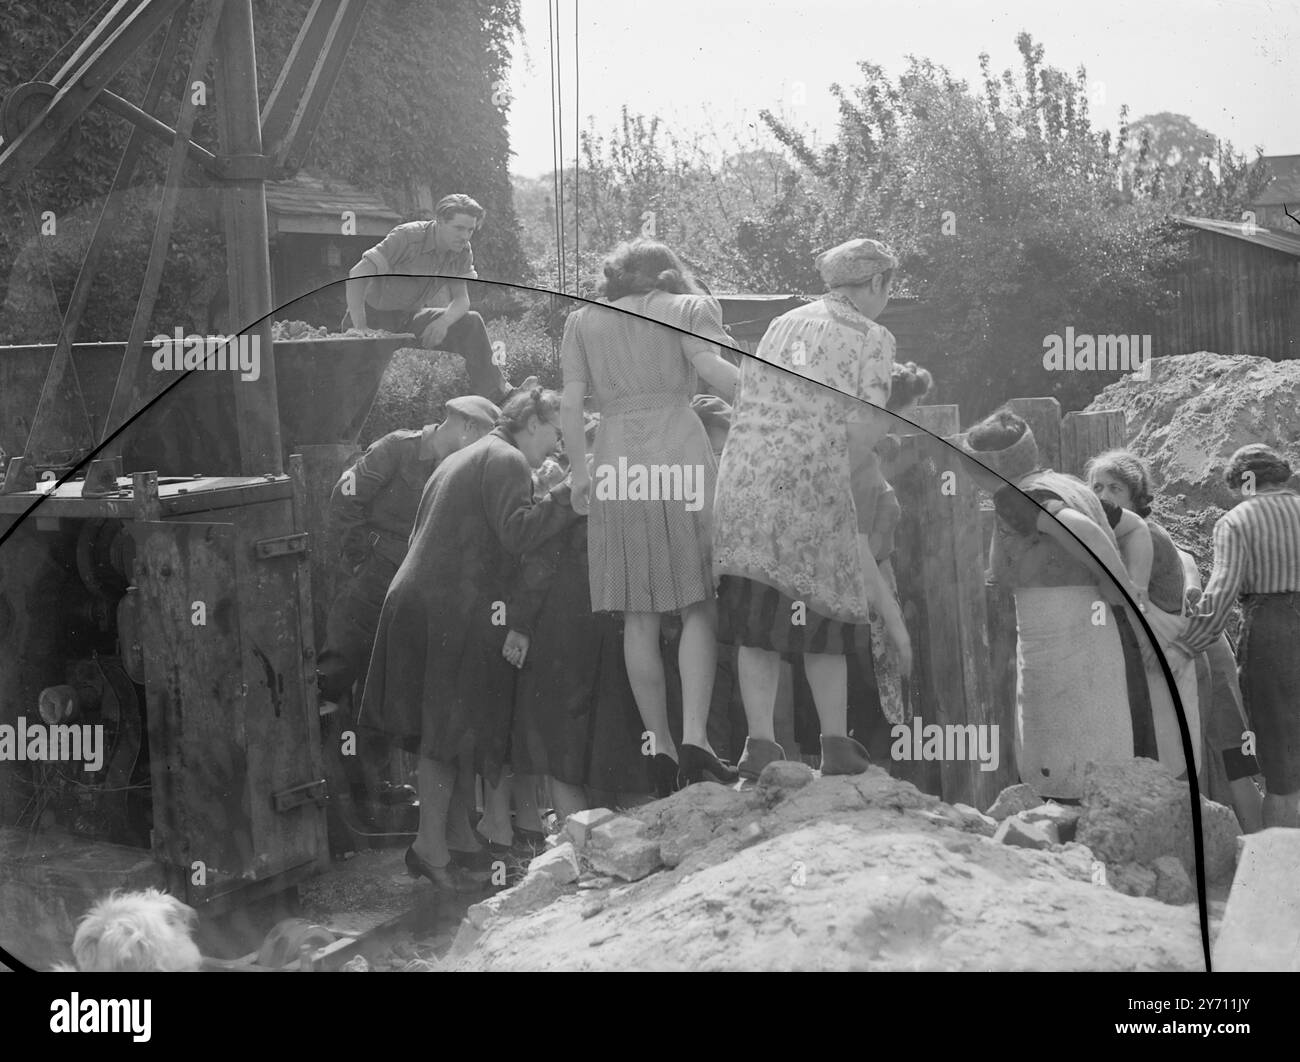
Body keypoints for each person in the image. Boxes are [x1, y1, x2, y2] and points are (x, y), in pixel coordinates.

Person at [359, 388, 579, 891]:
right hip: (443, 609)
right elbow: (518, 535)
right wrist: (566, 497)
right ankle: (428, 847)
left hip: (425, 604)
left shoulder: (469, 455)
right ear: (532, 421)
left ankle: (455, 838)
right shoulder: (505, 459)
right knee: (442, 732)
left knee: (447, 730)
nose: (556, 445)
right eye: (553, 432)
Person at [712, 237, 913, 780]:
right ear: (875, 284)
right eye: (888, 288)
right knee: (829, 612)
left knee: (758, 614)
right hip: (811, 482)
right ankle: (835, 743)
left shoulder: (780, 324)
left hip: (744, 481)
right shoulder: (873, 336)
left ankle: (759, 745)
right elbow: (866, 425)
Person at [560, 239, 741, 795]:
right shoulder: (686, 308)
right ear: (666, 272)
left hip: (615, 460)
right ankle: (695, 740)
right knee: (697, 602)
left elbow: (569, 403)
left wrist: (578, 471)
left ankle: (658, 746)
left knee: (638, 611)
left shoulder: (583, 321)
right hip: (678, 450)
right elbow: (714, 369)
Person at [957, 410, 1142, 800]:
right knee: (1095, 748)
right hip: (1088, 628)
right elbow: (1131, 527)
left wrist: (1120, 585)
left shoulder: (1016, 497)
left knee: (1059, 758)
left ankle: (1066, 844)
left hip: (1060, 633)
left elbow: (1082, 529)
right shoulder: (1062, 483)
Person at [506, 414, 650, 818]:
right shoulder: (635, 485)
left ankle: (578, 841)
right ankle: (625, 830)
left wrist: (520, 625)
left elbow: (540, 564)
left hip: (564, 627)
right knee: (616, 731)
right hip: (623, 623)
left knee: (564, 738)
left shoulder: (570, 490)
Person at [317, 396, 501, 712]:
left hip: (419, 584)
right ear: (468, 427)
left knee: (392, 689)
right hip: (376, 574)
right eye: (484, 438)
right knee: (337, 669)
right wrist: (361, 558)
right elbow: (345, 499)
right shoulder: (397, 448)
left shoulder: (461, 467)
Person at [1168, 444, 1300, 828]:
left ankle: (1279, 874)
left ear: (1243, 481)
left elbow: (1222, 593)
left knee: (1280, 763)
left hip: (1272, 631)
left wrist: (1184, 646)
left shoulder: (1238, 520)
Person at [344, 193, 526, 404]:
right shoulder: (407, 237)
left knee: (471, 323)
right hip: (372, 319)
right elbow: (357, 275)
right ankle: (340, 436)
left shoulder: (462, 251)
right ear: (440, 221)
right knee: (355, 396)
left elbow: (461, 300)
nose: (465, 236)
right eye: (459, 228)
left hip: (410, 318)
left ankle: (503, 399)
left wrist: (443, 322)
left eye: (470, 230)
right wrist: (360, 328)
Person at [1087, 450, 1201, 778]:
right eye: (1096, 488)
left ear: (1136, 497)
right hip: (1149, 657)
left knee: (1171, 756)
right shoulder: (1118, 535)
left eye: (1114, 488)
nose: (1103, 496)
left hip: (1165, 655)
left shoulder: (1144, 535)